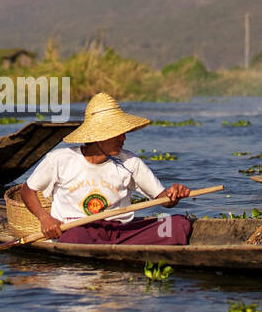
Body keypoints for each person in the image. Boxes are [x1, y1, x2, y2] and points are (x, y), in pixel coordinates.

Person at [19, 92, 191, 245]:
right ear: (98, 136)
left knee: (177, 225)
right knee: (75, 238)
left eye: (124, 132)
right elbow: (27, 190)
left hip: (121, 232)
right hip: (78, 229)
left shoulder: (131, 162)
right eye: (117, 133)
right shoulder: (60, 159)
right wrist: (45, 218)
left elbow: (162, 198)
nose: (123, 138)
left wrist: (172, 195)